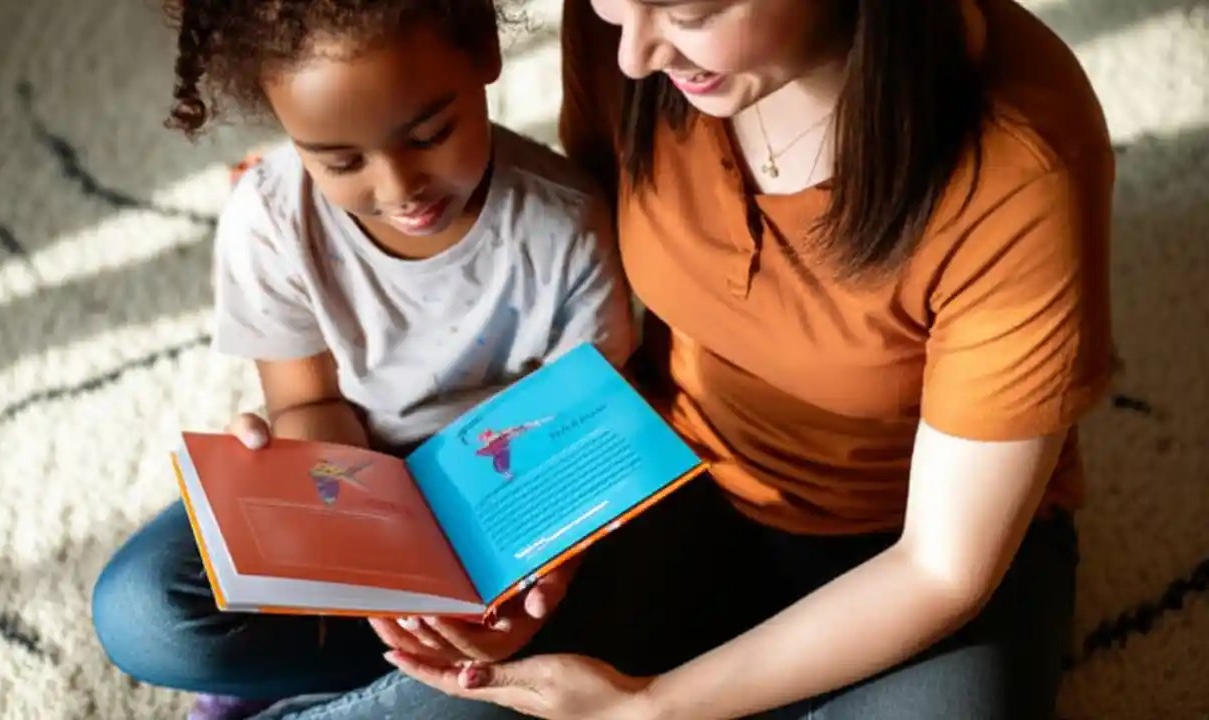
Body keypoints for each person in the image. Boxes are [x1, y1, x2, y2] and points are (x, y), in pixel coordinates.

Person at [381, 0, 1116, 718]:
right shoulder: (632, 35)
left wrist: (651, 707)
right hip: (672, 468)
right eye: (616, 11)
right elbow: (587, 287)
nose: (634, 56)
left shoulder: (1019, 164)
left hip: (903, 537)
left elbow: (940, 568)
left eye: (690, 18)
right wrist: (562, 528)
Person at [88, 0, 634, 718]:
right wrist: (335, 533)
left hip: (511, 521)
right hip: (355, 493)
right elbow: (308, 404)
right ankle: (346, 671)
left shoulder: (566, 223)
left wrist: (525, 585)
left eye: (431, 135)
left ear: (484, 53)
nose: (400, 188)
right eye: (341, 162)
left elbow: (588, 437)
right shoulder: (272, 217)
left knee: (512, 679)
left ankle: (323, 680)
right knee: (142, 610)